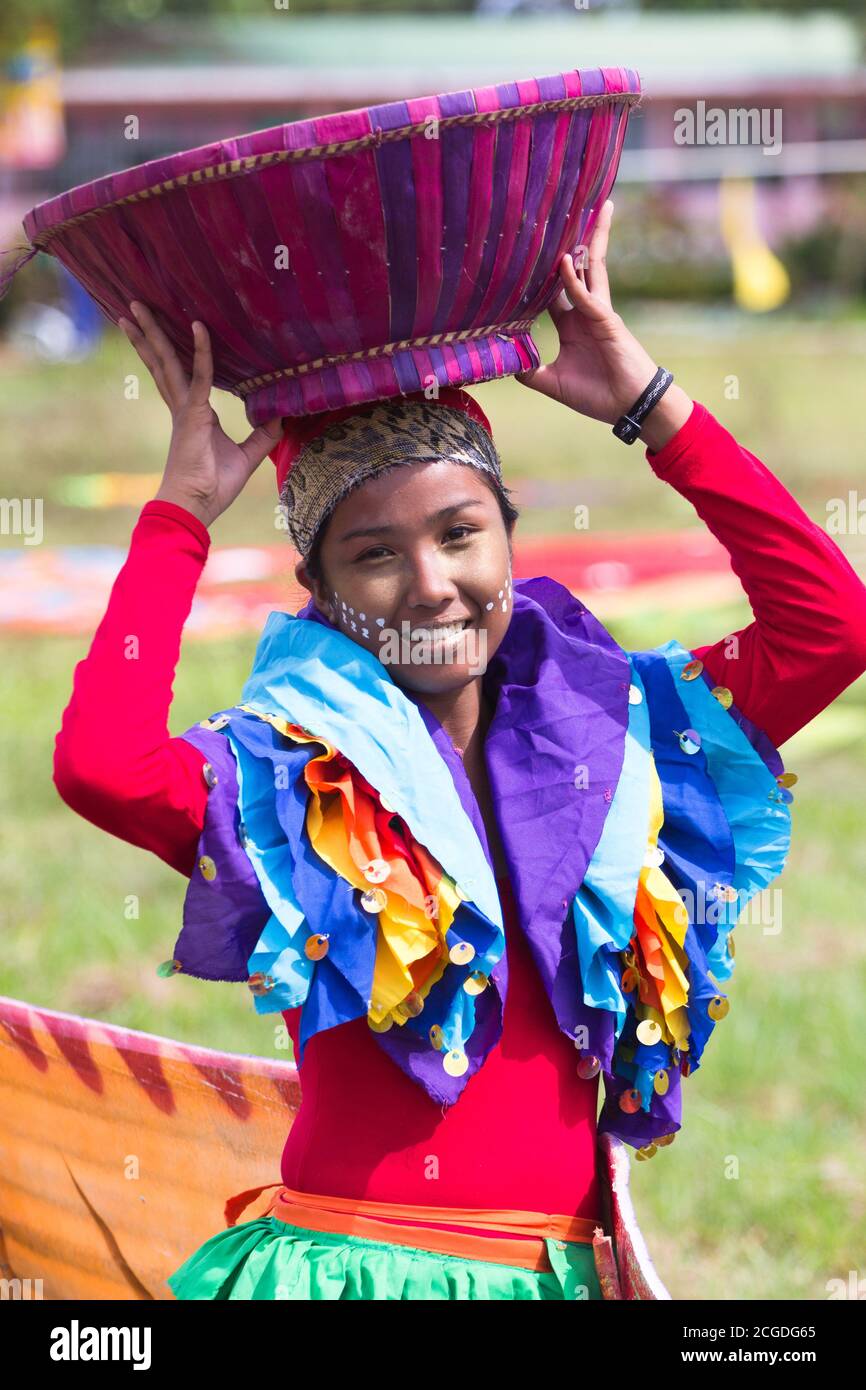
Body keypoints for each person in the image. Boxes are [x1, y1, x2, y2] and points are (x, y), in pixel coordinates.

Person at [53, 202, 866, 1301]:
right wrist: (179, 517)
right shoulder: (290, 779)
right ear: (324, 598)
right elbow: (100, 763)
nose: (431, 583)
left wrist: (647, 402)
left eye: (458, 532)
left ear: (509, 540)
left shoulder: (620, 732)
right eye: (374, 555)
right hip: (349, 1275)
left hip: (564, 1274)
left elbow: (829, 625)